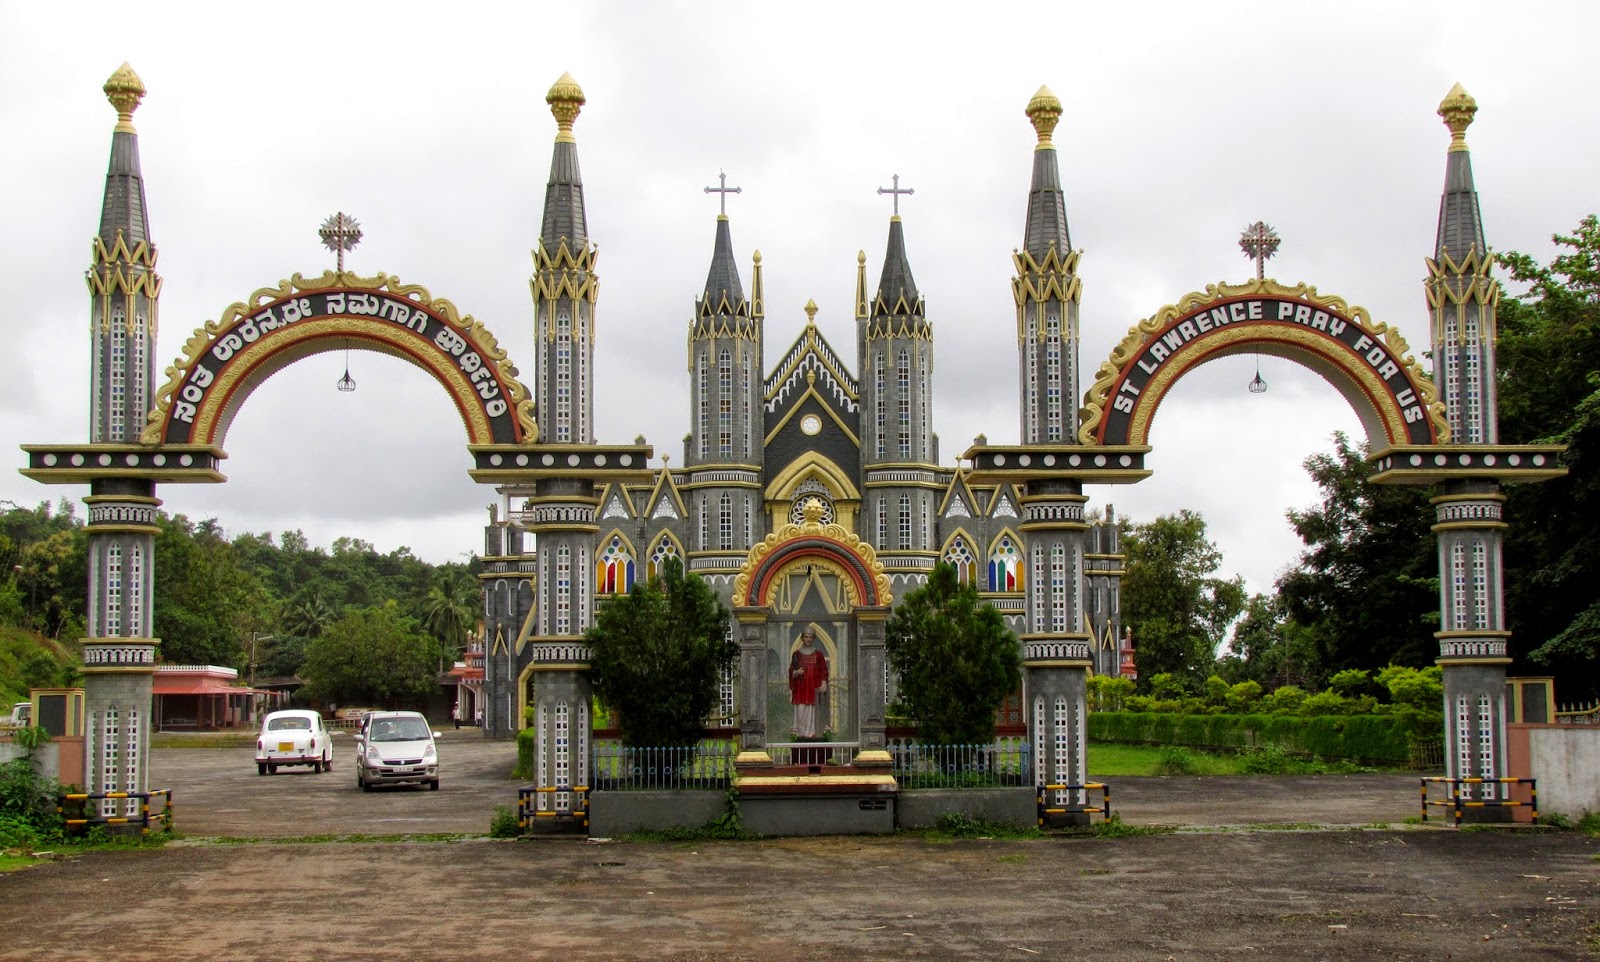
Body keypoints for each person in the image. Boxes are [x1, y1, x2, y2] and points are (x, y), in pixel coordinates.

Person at [788, 629, 829, 738]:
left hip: (813, 689)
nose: (808, 639)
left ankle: (812, 734)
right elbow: (791, 670)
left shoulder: (819, 655)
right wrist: (796, 672)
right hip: (801, 689)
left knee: (813, 712)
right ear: (802, 638)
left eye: (811, 637)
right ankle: (801, 735)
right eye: (806, 637)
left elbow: (823, 670)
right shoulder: (796, 654)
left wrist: (824, 682)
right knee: (801, 711)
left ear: (813, 639)